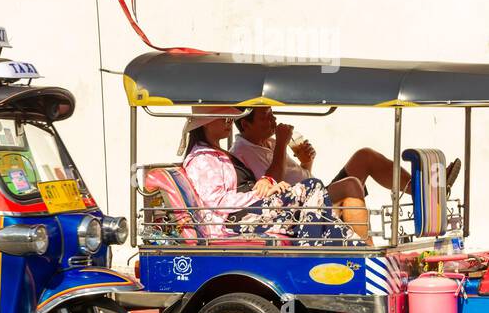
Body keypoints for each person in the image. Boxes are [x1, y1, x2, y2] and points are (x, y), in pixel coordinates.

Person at [180, 107, 369, 245]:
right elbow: (217, 202)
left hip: (243, 213)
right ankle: (323, 248)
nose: (229, 121)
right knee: (312, 186)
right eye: (223, 118)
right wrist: (260, 193)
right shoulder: (201, 157)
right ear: (204, 124)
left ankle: (344, 245)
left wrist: (268, 188)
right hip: (231, 222)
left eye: (229, 117)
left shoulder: (215, 153)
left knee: (313, 187)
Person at [230, 106, 459, 199]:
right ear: (246, 124)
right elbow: (273, 184)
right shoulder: (243, 152)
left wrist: (307, 162)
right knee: (351, 185)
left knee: (365, 156)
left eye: (272, 113)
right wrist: (281, 145)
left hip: (313, 191)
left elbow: (298, 177)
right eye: (265, 117)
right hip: (301, 206)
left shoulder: (268, 143)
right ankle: (361, 242)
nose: (273, 120)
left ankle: (424, 192)